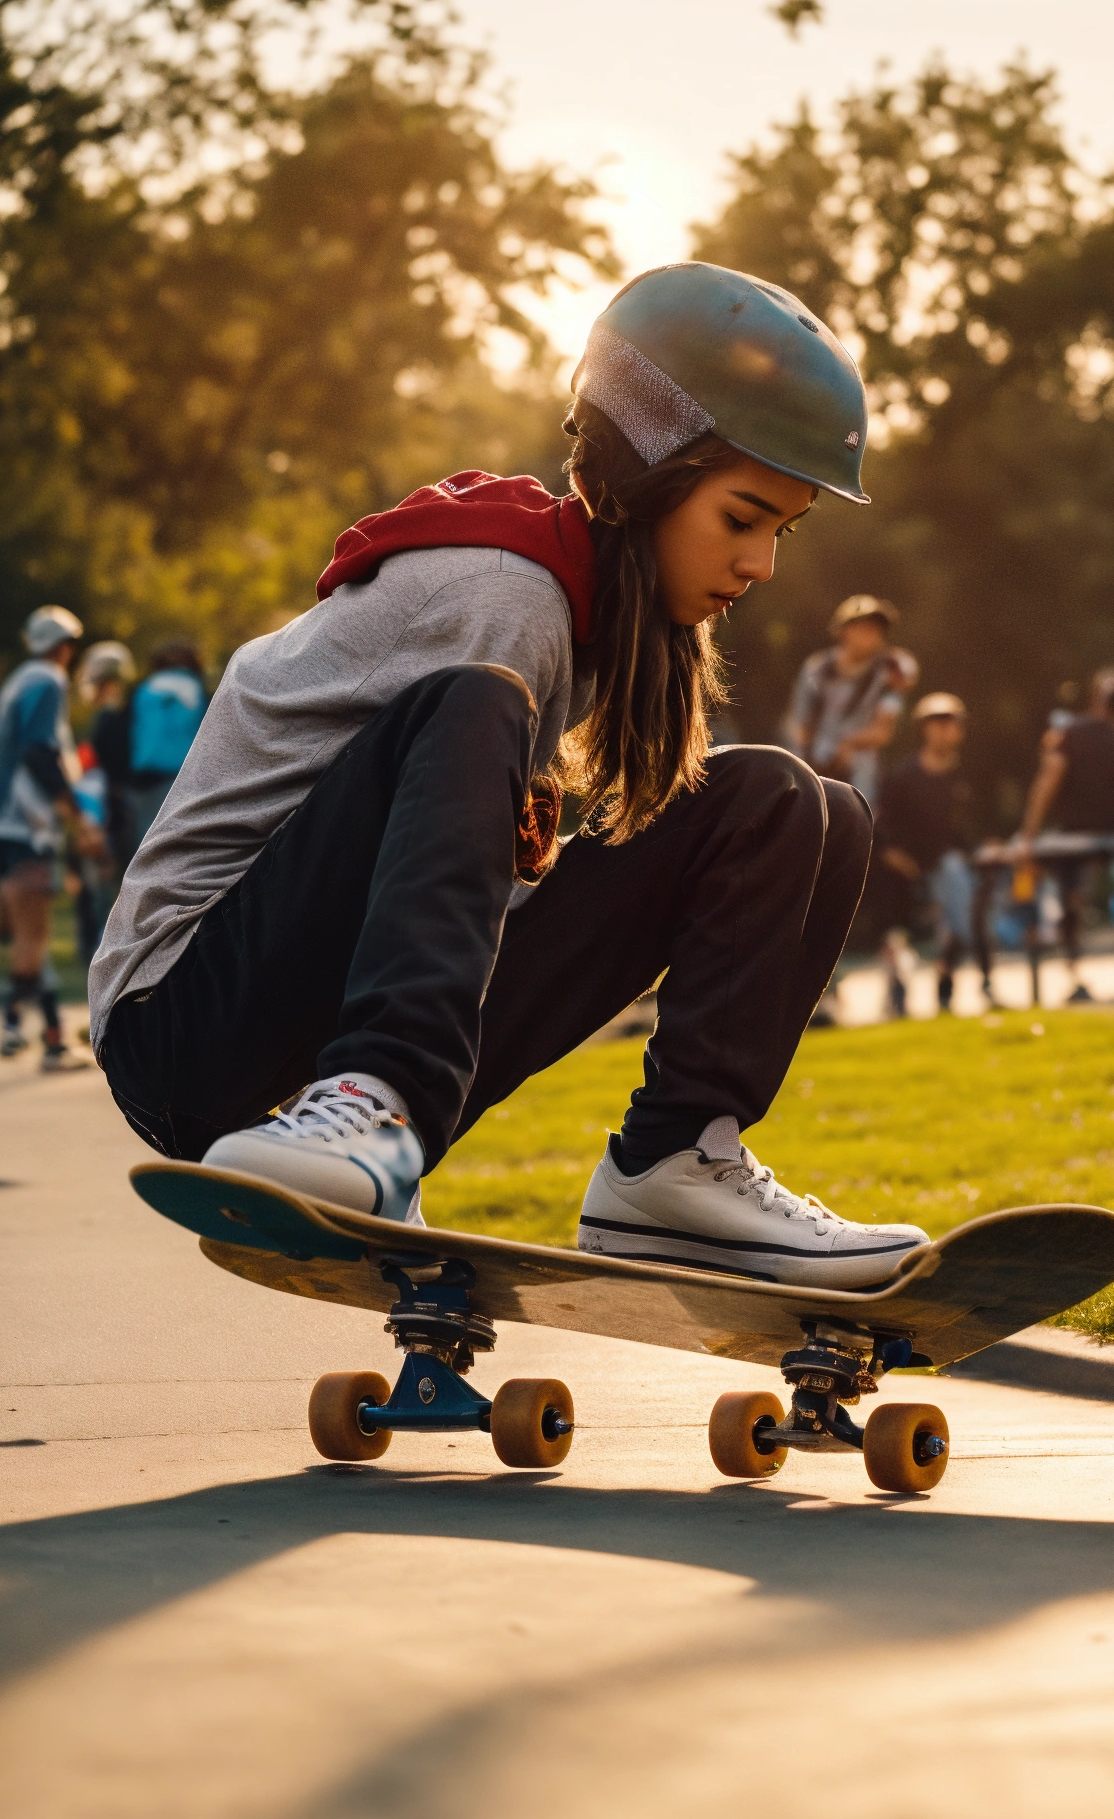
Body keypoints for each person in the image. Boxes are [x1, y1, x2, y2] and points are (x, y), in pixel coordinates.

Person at [88, 262, 930, 1287]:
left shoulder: (589, 621)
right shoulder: (508, 595)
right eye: (741, 518)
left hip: (326, 1008)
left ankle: (672, 1164)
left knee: (799, 808)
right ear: (650, 475)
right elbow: (416, 861)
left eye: (780, 533)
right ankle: (377, 1103)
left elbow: (472, 887)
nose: (759, 566)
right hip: (188, 1027)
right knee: (472, 701)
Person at [0, 604, 104, 1066]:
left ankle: (52, 1037)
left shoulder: (18, 679)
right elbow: (38, 751)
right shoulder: (48, 681)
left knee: (33, 931)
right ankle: (12, 1021)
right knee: (33, 933)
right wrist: (74, 814)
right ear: (64, 647)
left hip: (1, 820)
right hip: (27, 820)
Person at [1014, 666, 1114, 1002]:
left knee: (1071, 900)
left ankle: (1075, 975)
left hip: (1075, 837)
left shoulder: (1068, 734)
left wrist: (1030, 834)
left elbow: (1048, 781)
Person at [873, 692, 989, 1014]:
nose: (943, 730)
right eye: (936, 724)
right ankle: (897, 996)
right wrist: (895, 858)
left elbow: (971, 826)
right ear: (925, 729)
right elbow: (881, 826)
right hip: (905, 867)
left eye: (950, 724)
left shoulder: (965, 775)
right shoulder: (904, 775)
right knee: (897, 936)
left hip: (947, 866)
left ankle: (945, 984)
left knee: (962, 929)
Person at [781, 594, 917, 810]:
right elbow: (797, 721)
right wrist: (806, 762)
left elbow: (883, 730)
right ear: (844, 629)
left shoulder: (888, 675)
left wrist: (849, 745)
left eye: (876, 629)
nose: (871, 634)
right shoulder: (817, 669)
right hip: (811, 760)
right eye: (863, 626)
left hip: (857, 768)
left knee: (858, 802)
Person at [73, 641, 137, 967]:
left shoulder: (106, 719)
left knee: (103, 877)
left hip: (108, 806)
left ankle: (98, 946)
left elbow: (94, 767)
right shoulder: (132, 712)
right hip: (126, 803)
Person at [117, 639, 207, 864]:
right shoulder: (195, 688)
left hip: (142, 777)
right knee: (179, 849)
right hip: (180, 776)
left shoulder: (145, 688)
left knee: (146, 845)